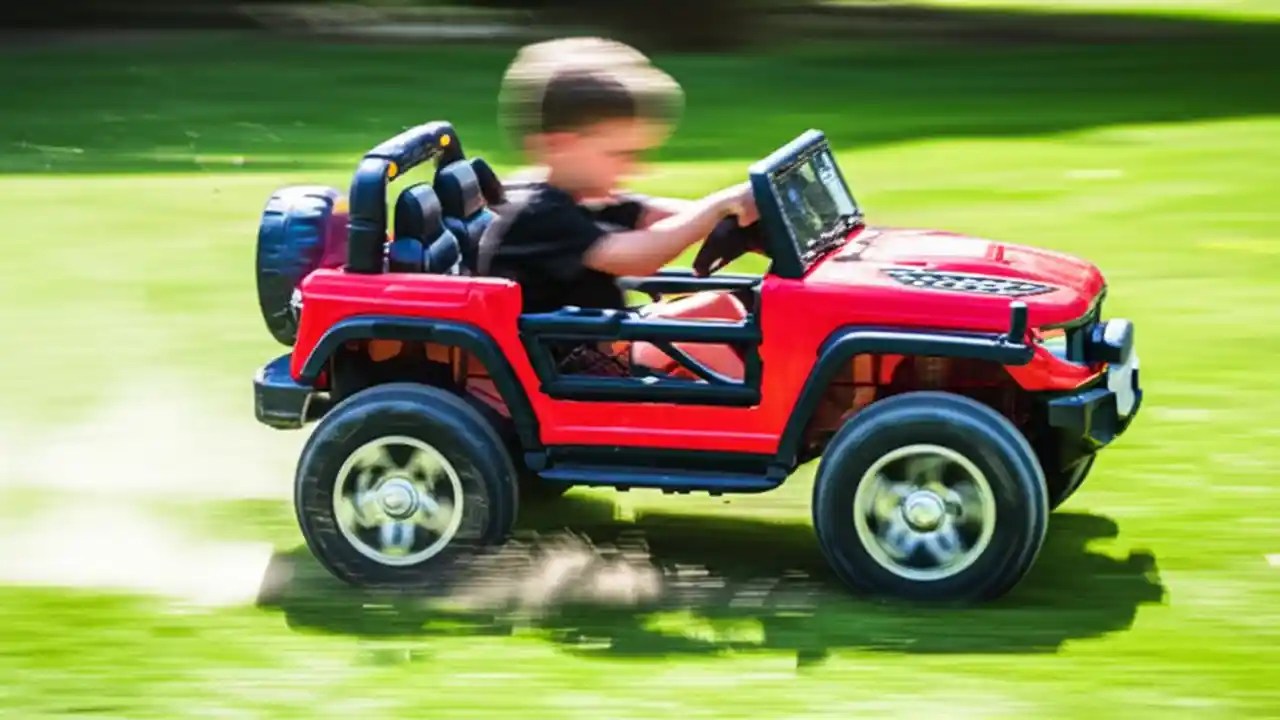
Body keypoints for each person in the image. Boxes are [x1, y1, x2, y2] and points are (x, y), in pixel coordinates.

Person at [479, 38, 758, 375]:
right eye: (619, 154)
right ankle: (780, 422)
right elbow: (638, 256)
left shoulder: (576, 191)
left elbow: (648, 212)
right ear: (560, 146)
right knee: (705, 343)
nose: (634, 168)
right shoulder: (537, 213)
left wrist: (736, 215)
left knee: (722, 307)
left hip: (603, 340)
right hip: (574, 368)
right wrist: (716, 208)